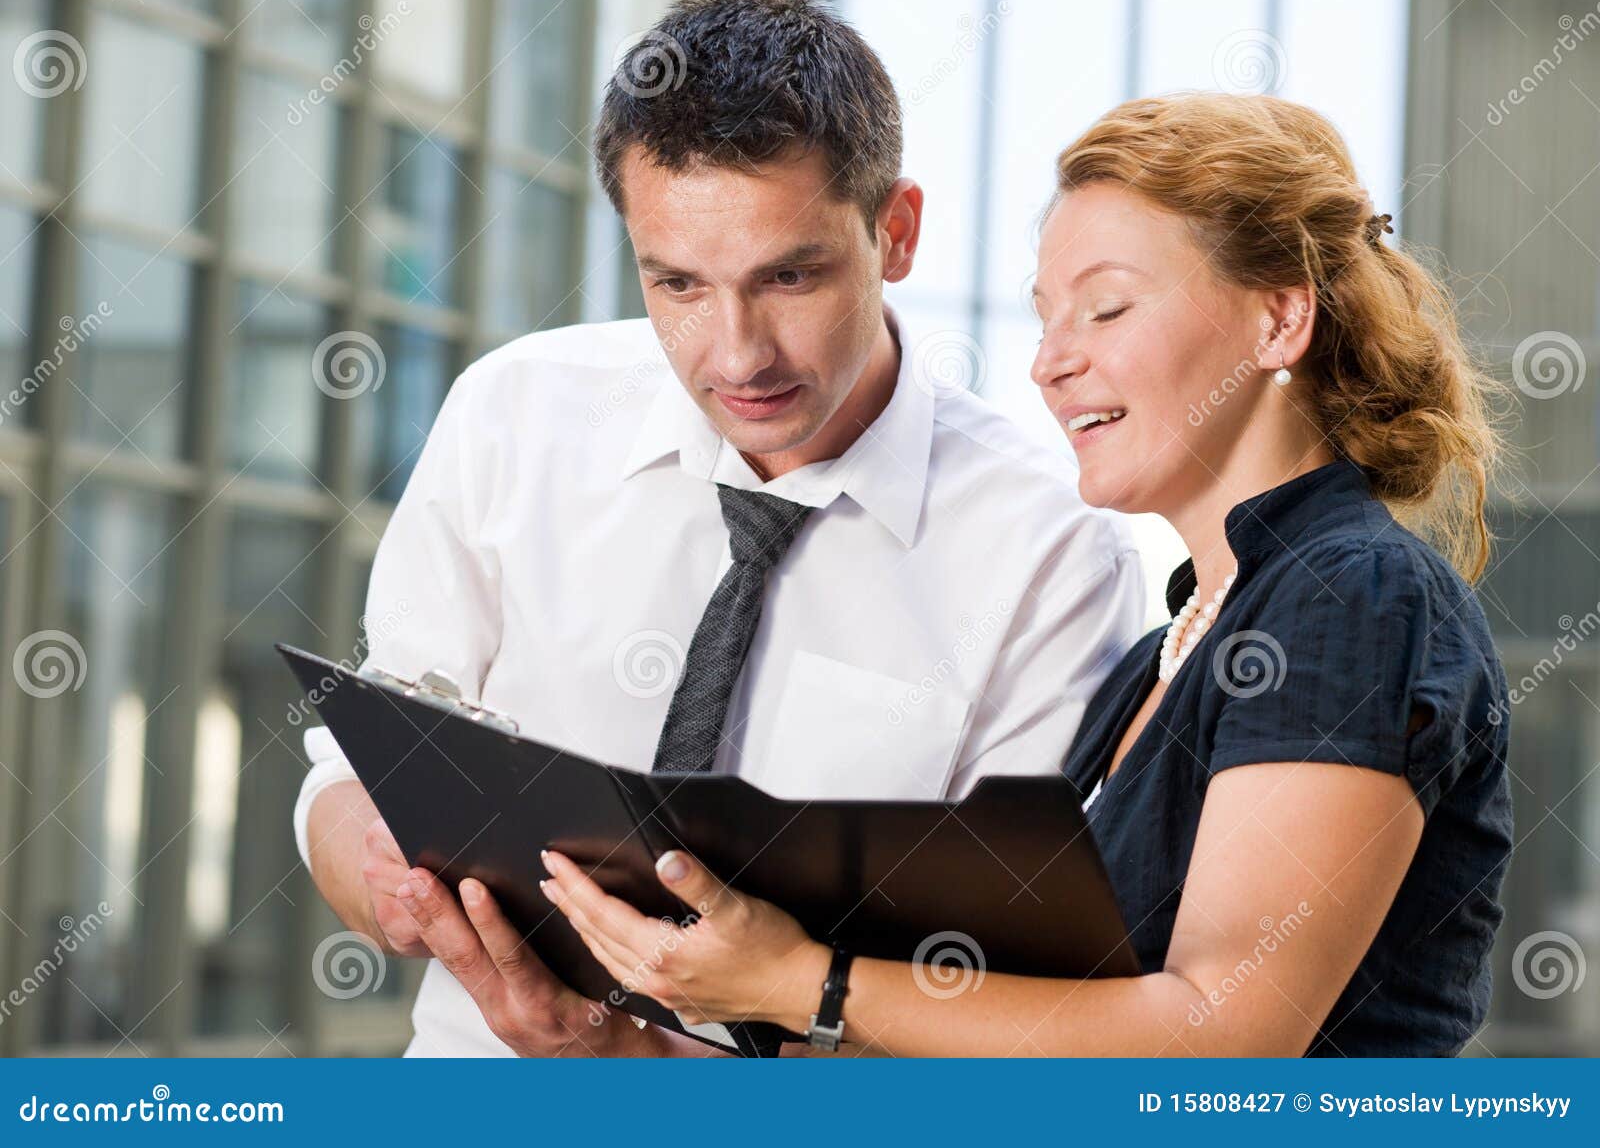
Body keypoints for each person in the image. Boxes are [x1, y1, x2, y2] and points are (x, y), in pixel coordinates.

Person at [541, 92, 1515, 1057]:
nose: (1050, 363)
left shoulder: (1350, 597)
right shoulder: (1164, 655)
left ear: (1278, 320)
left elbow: (1220, 1039)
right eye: (1045, 319)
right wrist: (630, 1047)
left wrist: (801, 982)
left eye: (1106, 308)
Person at [293, 0, 1143, 1058]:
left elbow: (1004, 1000)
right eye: (679, 285)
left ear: (896, 231)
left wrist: (632, 1061)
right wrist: (385, 881)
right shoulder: (514, 414)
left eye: (789, 277)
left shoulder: (1051, 549)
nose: (738, 355)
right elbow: (350, 776)